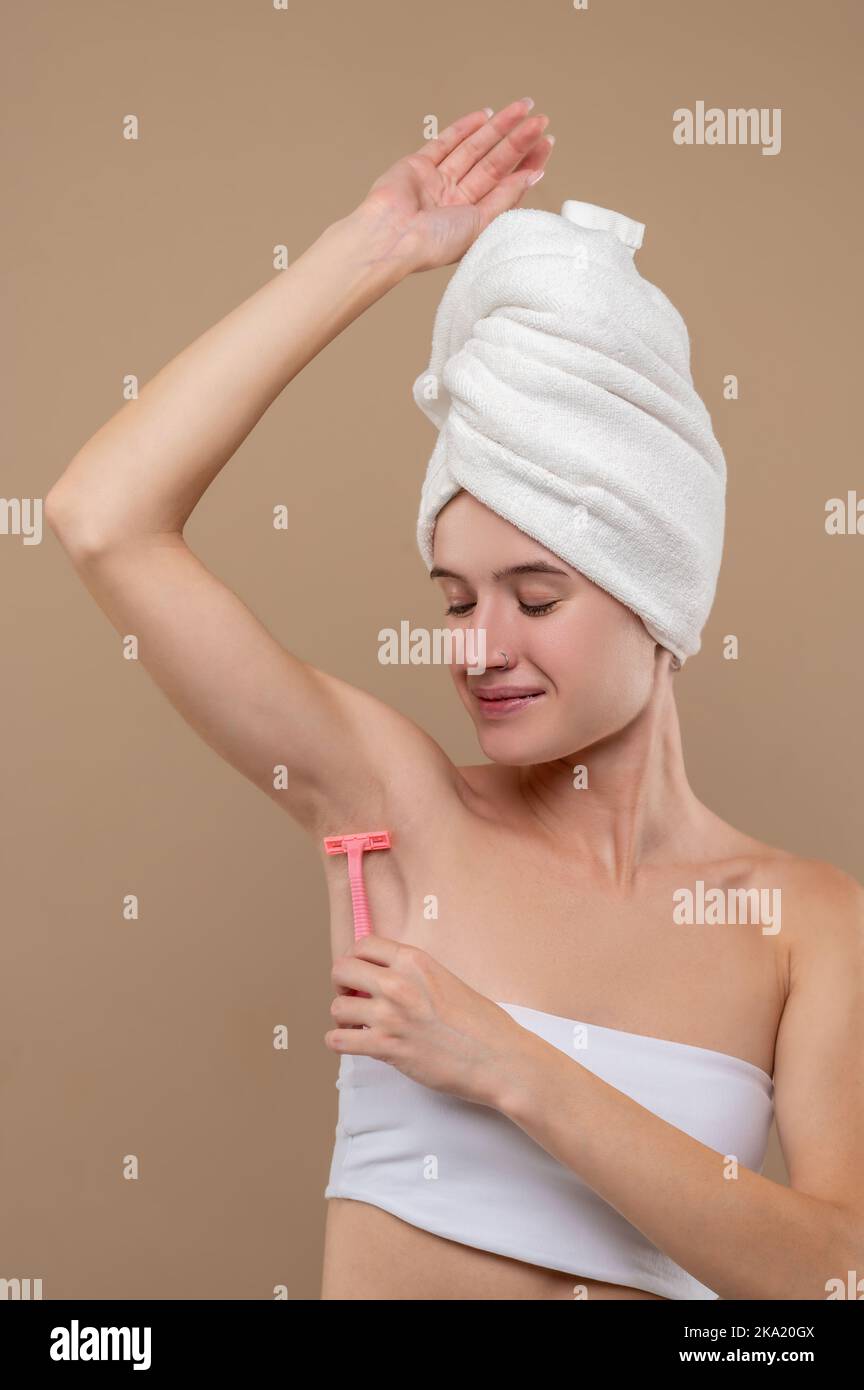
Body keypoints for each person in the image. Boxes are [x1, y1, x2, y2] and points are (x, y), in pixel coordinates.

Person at [46, 98, 863, 1302]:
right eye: (453, 597)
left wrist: (511, 1064)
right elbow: (101, 518)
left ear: (659, 598)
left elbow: (837, 1275)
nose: (481, 648)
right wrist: (369, 249)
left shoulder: (805, 922)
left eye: (536, 596)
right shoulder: (395, 809)